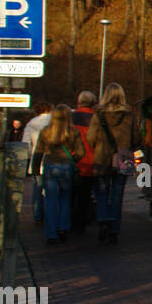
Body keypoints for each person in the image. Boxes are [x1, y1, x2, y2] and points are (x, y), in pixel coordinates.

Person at [86, 83, 137, 244]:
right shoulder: (129, 115)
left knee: (101, 192)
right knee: (117, 194)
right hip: (122, 159)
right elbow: (136, 138)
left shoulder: (98, 115)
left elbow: (90, 138)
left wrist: (100, 146)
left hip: (102, 159)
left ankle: (102, 219)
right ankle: (114, 229)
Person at [34, 105, 83, 245]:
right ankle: (63, 228)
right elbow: (80, 152)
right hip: (66, 167)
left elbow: (38, 152)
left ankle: (51, 233)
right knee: (65, 199)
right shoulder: (73, 132)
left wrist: (36, 169)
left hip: (50, 166)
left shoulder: (46, 132)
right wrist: (72, 160)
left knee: (50, 199)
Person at [70, 91, 97, 234]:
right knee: (84, 195)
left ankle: (68, 221)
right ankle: (81, 223)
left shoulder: (70, 117)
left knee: (70, 193)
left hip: (72, 159)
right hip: (90, 161)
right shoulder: (96, 119)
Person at [21, 102, 53, 224]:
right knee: (51, 189)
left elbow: (26, 143)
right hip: (52, 159)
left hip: (37, 160)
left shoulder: (31, 124)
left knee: (37, 189)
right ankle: (51, 215)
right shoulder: (54, 121)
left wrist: (29, 155)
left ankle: (37, 215)